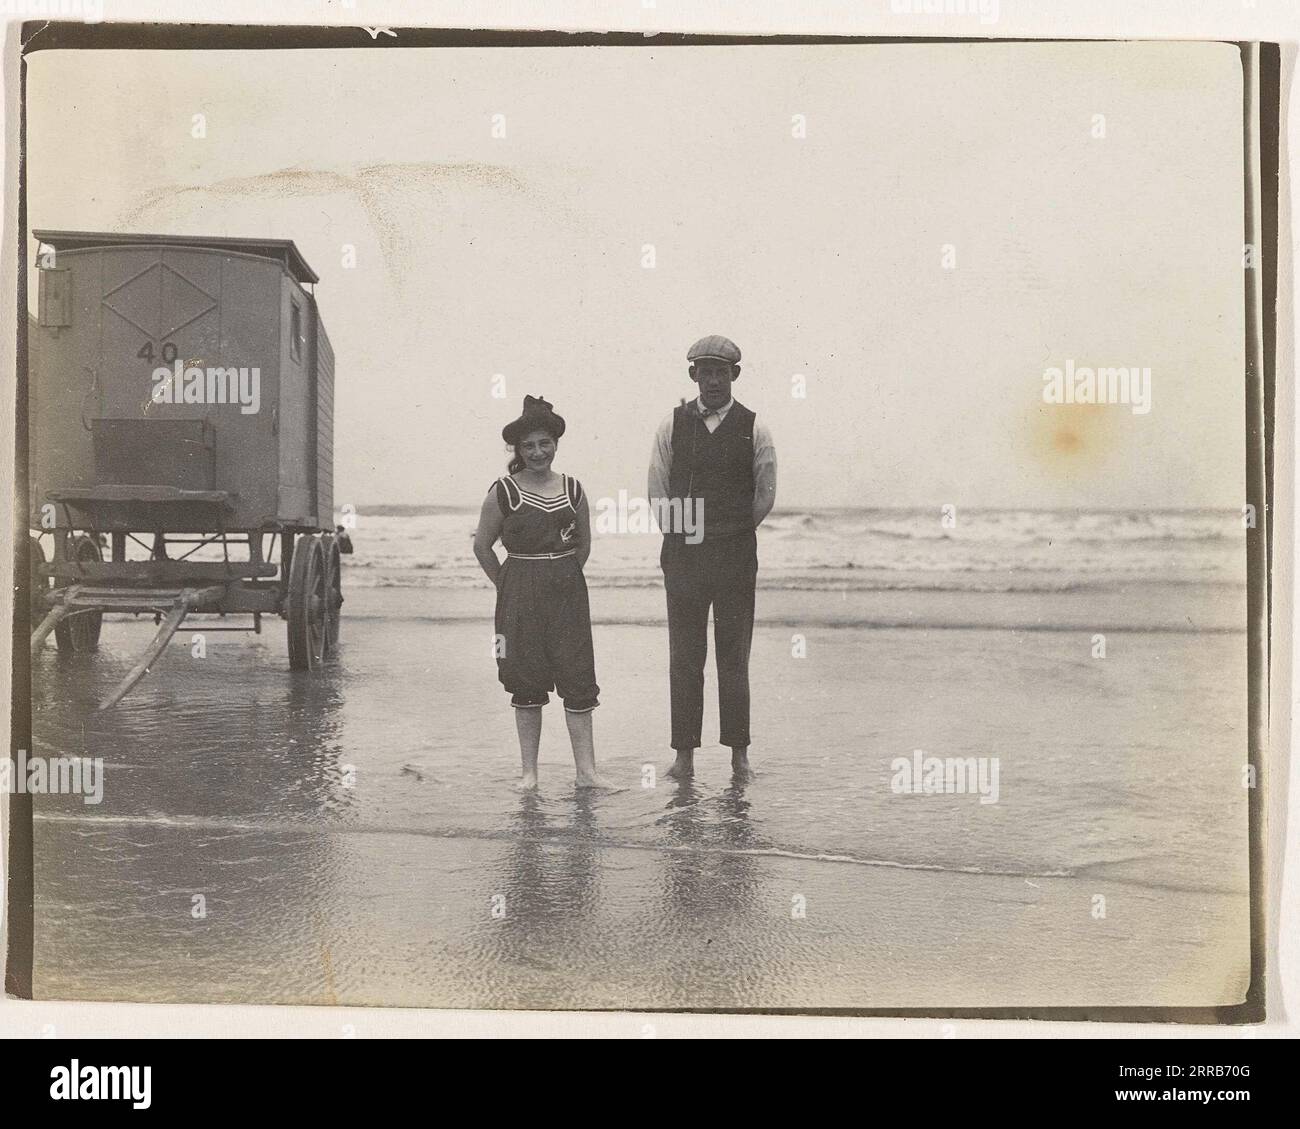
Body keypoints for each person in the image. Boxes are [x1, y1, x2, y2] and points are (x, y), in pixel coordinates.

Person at [648, 335, 777, 781]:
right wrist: (683, 537)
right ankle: (683, 756)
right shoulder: (672, 424)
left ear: (734, 375)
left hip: (736, 557)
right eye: (706, 371)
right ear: (693, 376)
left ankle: (739, 756)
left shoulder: (755, 427)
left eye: (722, 372)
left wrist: (732, 532)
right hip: (683, 557)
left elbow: (765, 494)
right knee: (684, 657)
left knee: (733, 656)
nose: (714, 380)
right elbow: (657, 489)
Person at [474, 395, 608, 789]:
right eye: (528, 445)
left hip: (568, 592)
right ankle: (529, 773)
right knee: (524, 678)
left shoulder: (573, 489)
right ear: (517, 450)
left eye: (544, 443)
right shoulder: (503, 491)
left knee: (578, 677)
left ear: (555, 445)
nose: (537, 452)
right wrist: (509, 584)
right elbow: (483, 546)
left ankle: (587, 773)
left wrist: (561, 574)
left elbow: (583, 544)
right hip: (519, 592)